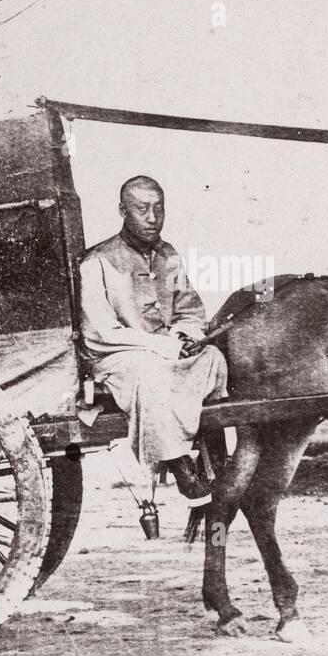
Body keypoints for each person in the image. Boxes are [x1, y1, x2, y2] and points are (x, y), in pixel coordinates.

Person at [79, 175, 227, 506]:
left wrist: (184, 334)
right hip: (118, 357)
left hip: (168, 350)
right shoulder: (97, 262)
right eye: (141, 209)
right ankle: (179, 467)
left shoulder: (168, 255)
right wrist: (162, 346)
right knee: (149, 372)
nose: (152, 218)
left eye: (159, 209)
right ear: (122, 211)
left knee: (213, 357)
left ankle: (213, 458)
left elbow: (191, 310)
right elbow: (99, 334)